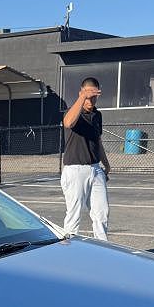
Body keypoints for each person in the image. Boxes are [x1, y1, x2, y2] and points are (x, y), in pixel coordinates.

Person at [60, 77, 110, 240]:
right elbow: (67, 123)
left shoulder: (97, 115)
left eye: (94, 96)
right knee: (74, 215)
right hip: (75, 170)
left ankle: (103, 250)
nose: (91, 100)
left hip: (95, 169)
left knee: (101, 213)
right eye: (88, 96)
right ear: (81, 93)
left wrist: (106, 164)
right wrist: (82, 97)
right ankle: (69, 253)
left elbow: (98, 141)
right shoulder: (73, 112)